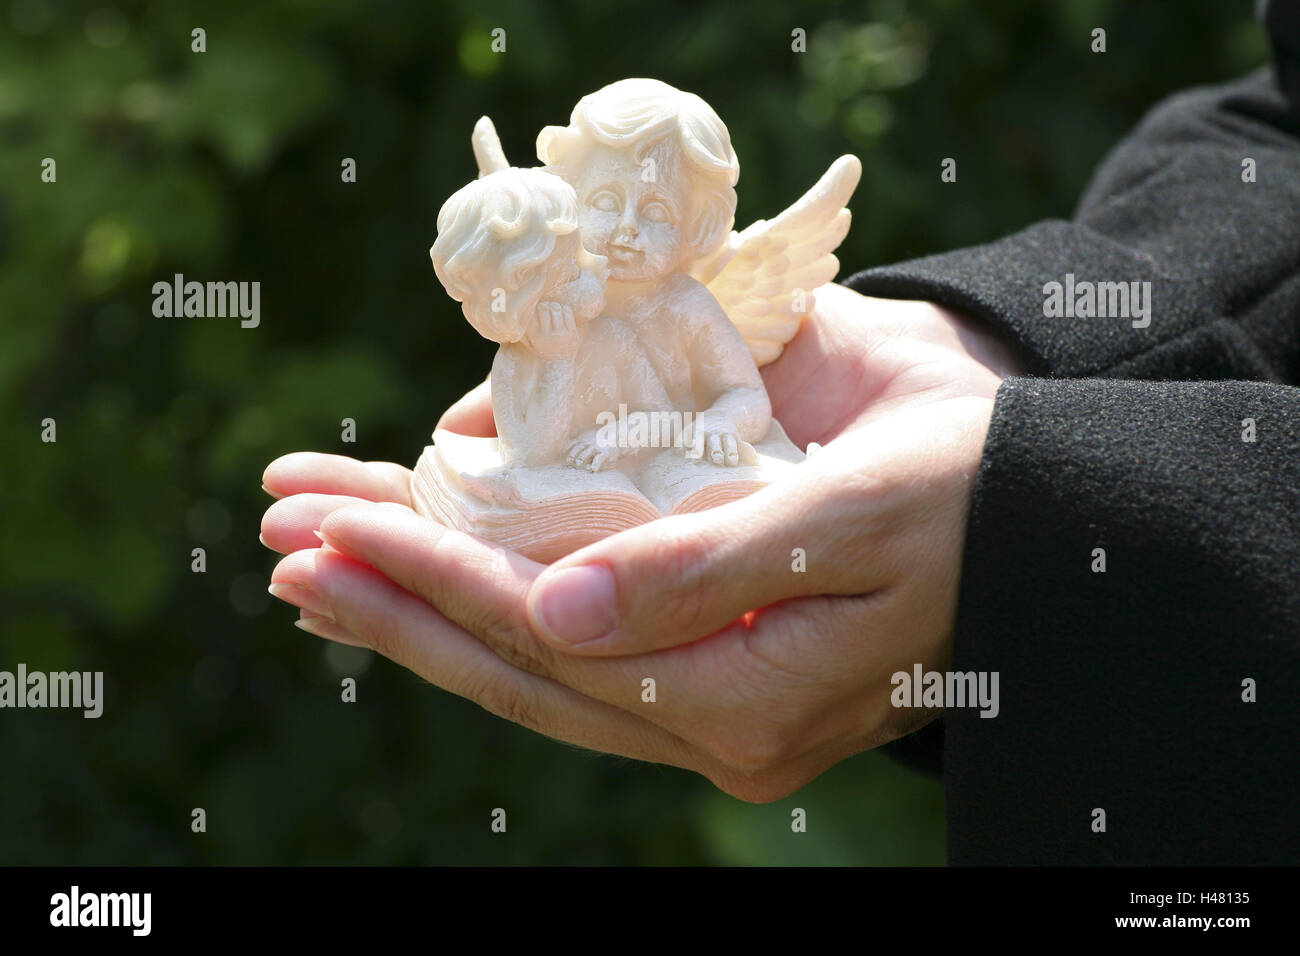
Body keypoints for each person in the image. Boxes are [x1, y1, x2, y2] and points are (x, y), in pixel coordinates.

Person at [261, 0, 1300, 864]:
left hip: (682, 459)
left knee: (701, 477)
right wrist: (1026, 343)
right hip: (586, 463)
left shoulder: (681, 309)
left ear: (703, 234)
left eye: (658, 215)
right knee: (496, 469)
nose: (627, 229)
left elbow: (738, 400)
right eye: (610, 199)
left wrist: (1031, 496)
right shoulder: (565, 309)